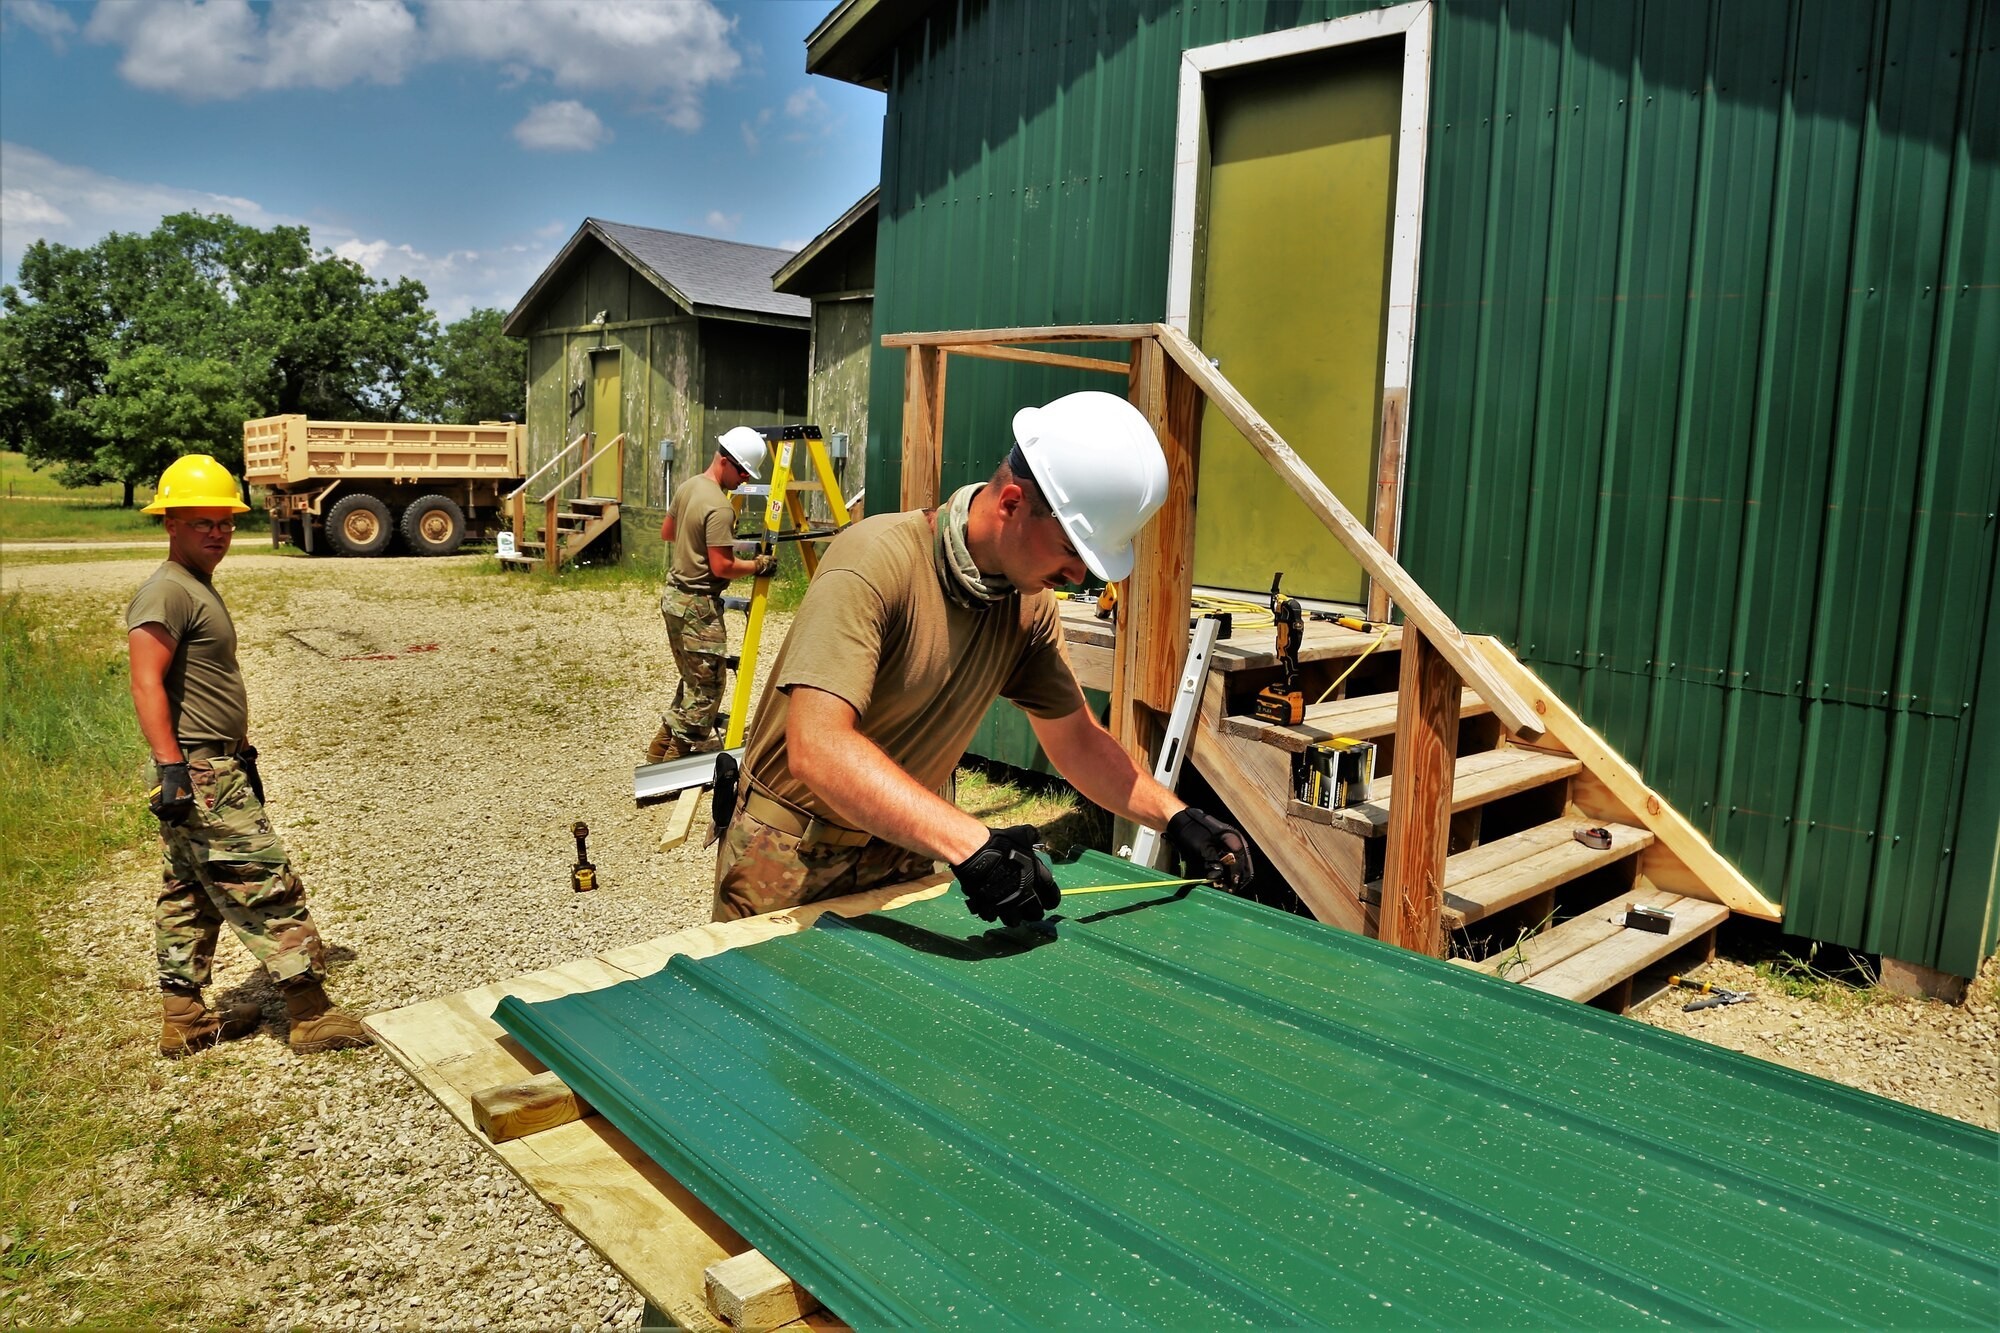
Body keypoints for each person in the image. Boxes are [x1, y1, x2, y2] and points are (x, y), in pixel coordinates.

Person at [712, 390, 1254, 925]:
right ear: (1012, 504)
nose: (1077, 576)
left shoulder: (1028, 606)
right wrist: (972, 841)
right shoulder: (874, 562)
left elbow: (1076, 739)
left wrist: (1178, 817)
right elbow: (818, 748)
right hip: (793, 856)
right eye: (1072, 549)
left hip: (906, 848)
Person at [127, 455, 370, 1058]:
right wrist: (173, 767)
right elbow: (145, 680)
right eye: (202, 522)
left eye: (226, 522)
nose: (218, 533)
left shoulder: (193, 584)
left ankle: (183, 1017)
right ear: (171, 524)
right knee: (265, 884)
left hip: (211, 765)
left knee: (189, 891)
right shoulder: (166, 591)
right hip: (201, 773)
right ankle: (309, 1014)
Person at [647, 427, 781, 763]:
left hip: (674, 599)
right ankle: (672, 765)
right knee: (708, 687)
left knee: (693, 679)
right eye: (743, 472)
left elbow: (667, 533)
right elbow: (722, 566)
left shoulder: (689, 486)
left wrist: (696, 543)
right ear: (725, 461)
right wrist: (758, 565)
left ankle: (657, 754)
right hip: (698, 605)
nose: (744, 480)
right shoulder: (720, 507)